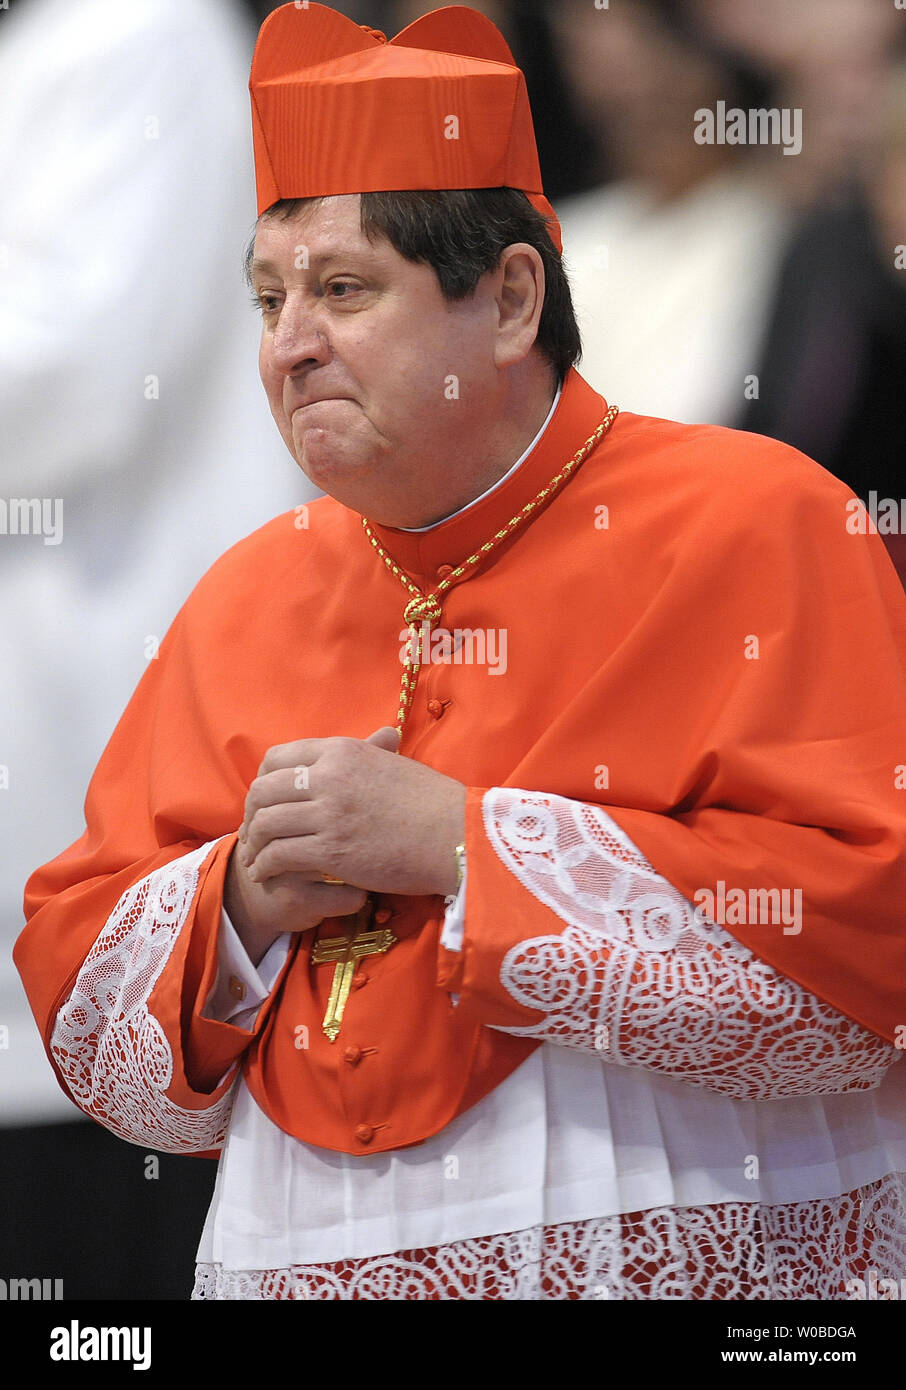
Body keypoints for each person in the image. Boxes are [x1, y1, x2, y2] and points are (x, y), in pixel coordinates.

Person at [15, 2, 906, 1301]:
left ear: (506, 299)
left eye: (341, 289)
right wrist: (243, 899)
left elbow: (867, 945)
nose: (288, 344)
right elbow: (85, 1003)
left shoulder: (757, 521)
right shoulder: (245, 592)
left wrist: (456, 844)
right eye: (267, 298)